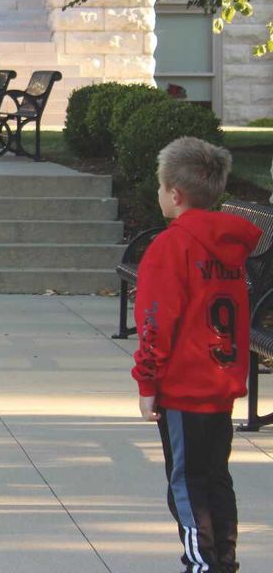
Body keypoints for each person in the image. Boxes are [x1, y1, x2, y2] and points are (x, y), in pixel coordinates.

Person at [131, 137, 260, 573]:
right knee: (216, 478)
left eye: (159, 186)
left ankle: (201, 562)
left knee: (186, 482)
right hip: (220, 380)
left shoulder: (171, 248)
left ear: (175, 194)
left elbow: (154, 323)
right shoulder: (229, 248)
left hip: (185, 387)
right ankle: (223, 559)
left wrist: (147, 383)